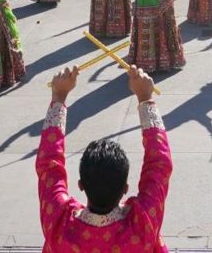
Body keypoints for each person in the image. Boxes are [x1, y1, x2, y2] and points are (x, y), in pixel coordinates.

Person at [37, 65, 172, 252]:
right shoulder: (142, 224)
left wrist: (58, 97)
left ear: (81, 185)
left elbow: (49, 166)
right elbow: (159, 165)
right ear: (125, 189)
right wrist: (145, 98)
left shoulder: (59, 224)